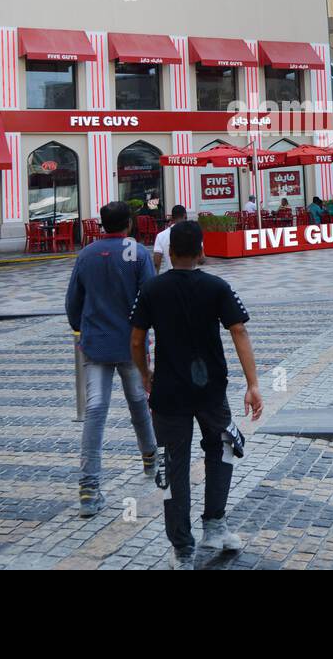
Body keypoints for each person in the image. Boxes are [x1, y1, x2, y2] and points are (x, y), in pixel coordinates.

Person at [130, 221, 263, 569]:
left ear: (170, 252)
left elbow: (135, 339)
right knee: (223, 448)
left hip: (168, 392)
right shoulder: (216, 286)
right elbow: (239, 329)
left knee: (175, 464)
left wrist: (146, 375)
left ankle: (182, 547)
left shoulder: (152, 290)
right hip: (210, 390)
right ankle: (215, 525)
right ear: (202, 251)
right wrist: (253, 384)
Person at [65, 200, 159, 516]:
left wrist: (83, 327)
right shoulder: (138, 253)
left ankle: (89, 489)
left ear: (103, 225)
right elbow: (150, 298)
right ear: (129, 224)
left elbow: (72, 302)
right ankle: (151, 460)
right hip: (130, 344)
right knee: (137, 402)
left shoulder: (86, 254)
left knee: (95, 409)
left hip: (95, 344)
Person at [152, 204, 187, 273]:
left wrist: (155, 280)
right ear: (185, 215)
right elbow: (201, 260)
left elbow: (156, 263)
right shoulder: (193, 232)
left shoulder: (161, 236)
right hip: (190, 278)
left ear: (172, 217)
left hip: (171, 276)